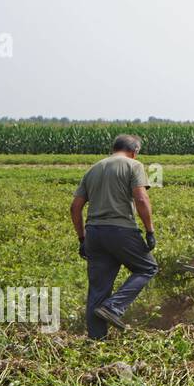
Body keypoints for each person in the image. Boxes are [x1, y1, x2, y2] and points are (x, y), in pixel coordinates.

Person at [70, 134, 158, 338]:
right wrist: (150, 231)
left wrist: (82, 239)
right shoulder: (133, 166)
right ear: (134, 151)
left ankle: (96, 342)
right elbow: (141, 199)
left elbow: (75, 208)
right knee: (147, 267)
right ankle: (113, 307)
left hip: (94, 233)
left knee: (98, 290)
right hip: (121, 231)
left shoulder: (93, 169)